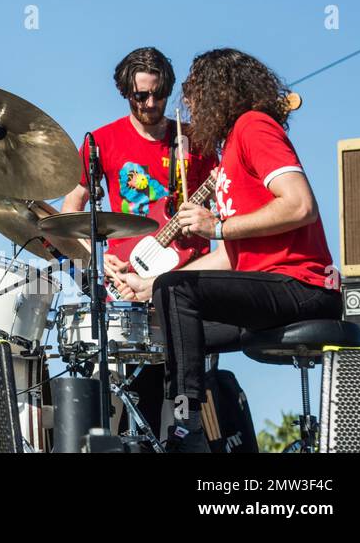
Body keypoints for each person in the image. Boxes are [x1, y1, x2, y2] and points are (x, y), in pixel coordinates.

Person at [114, 49, 341, 452]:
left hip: (302, 286)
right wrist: (150, 285)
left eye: (195, 95)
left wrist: (213, 225)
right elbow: (232, 257)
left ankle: (188, 429)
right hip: (269, 289)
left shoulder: (254, 127)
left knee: (175, 291)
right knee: (165, 320)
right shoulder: (231, 152)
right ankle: (171, 436)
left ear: (219, 92)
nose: (191, 106)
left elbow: (301, 204)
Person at [56, 46, 218, 439]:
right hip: (124, 290)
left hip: (185, 289)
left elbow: (228, 206)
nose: (150, 104)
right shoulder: (102, 141)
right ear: (125, 92)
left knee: (181, 415)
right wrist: (92, 264)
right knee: (106, 399)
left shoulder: (197, 141)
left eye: (158, 94)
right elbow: (70, 214)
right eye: (140, 96)